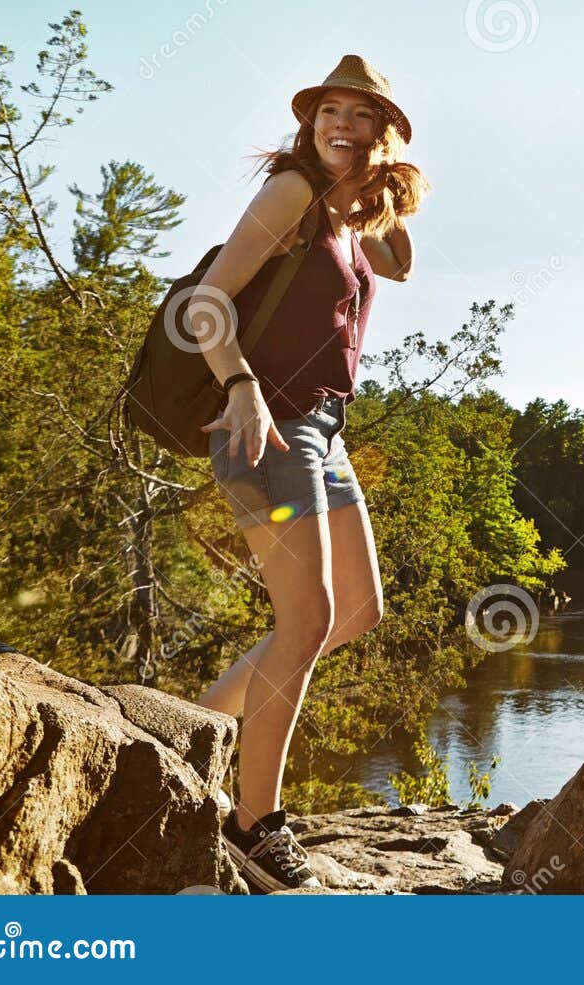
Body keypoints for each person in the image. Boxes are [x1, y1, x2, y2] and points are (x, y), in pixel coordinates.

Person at [188, 54, 428, 892]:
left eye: (361, 115)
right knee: (307, 618)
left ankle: (188, 729)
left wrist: (384, 184)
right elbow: (207, 300)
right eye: (330, 110)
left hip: (323, 429)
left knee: (357, 609)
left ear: (380, 131)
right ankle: (255, 822)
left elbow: (399, 262)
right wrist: (242, 386)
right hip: (264, 426)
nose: (341, 125)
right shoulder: (290, 192)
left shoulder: (348, 212)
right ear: (310, 120)